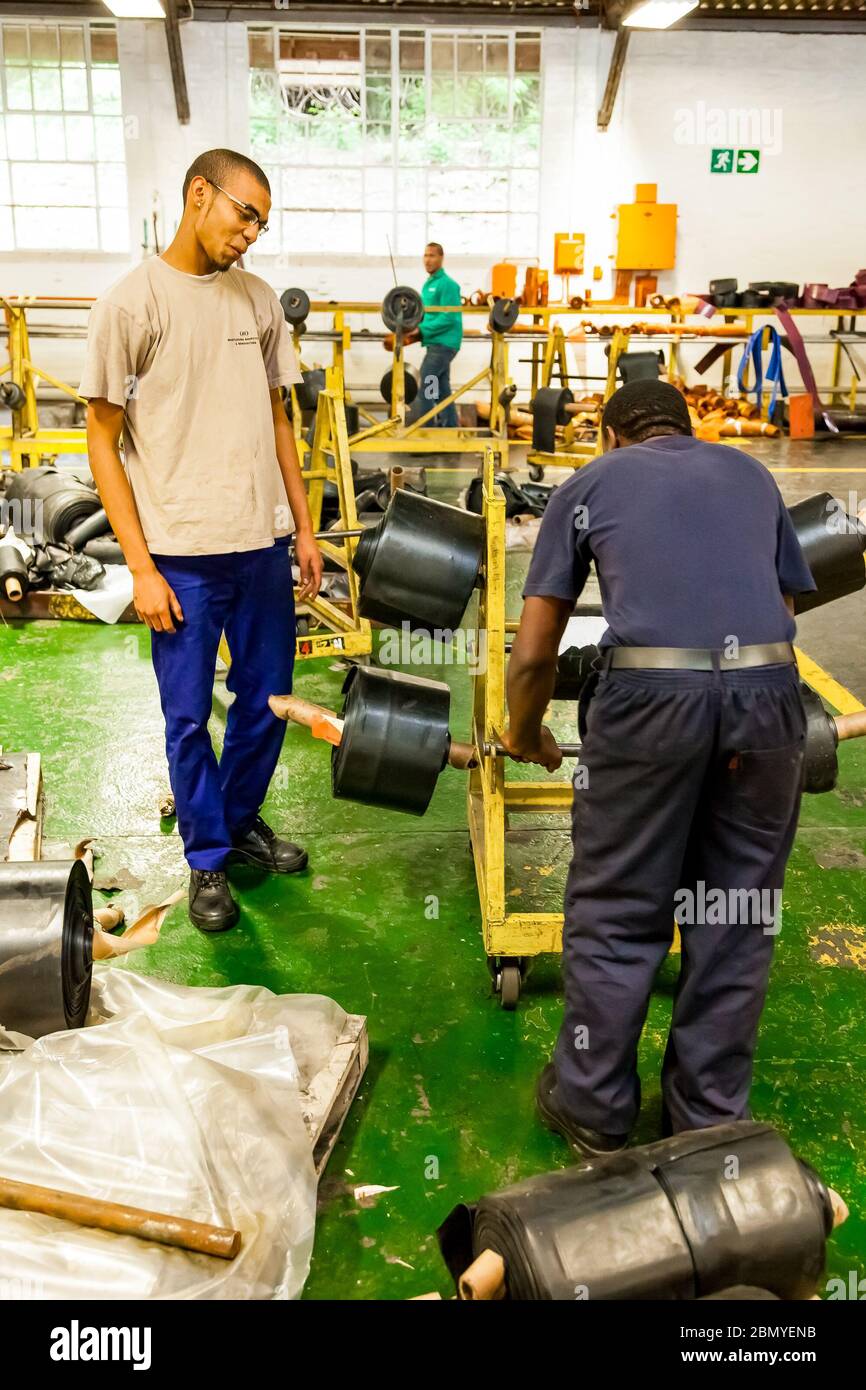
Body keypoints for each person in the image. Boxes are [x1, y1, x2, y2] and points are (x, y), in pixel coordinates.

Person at [503, 379, 815, 1155]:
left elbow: (535, 649)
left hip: (651, 703)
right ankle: (707, 1120)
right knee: (736, 917)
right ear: (686, 426)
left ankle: (594, 1108)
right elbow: (780, 604)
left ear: (611, 435)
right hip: (770, 697)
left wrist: (524, 733)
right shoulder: (749, 473)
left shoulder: (589, 483)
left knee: (619, 911)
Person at [81, 148, 323, 934]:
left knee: (266, 703)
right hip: (180, 559)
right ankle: (207, 860)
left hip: (260, 549)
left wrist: (304, 527)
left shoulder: (258, 304)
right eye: (243, 213)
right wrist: (141, 568)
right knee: (187, 717)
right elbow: (101, 440)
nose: (251, 233)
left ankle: (240, 820)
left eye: (261, 221)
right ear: (198, 195)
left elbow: (281, 420)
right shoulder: (132, 305)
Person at [406, 242, 463, 428]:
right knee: (441, 390)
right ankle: (450, 429)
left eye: (432, 255)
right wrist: (411, 326)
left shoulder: (448, 285)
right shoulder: (429, 284)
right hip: (435, 343)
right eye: (425, 255)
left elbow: (449, 318)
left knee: (426, 386)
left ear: (441, 258)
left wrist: (421, 330)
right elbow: (428, 315)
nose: (427, 260)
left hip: (444, 345)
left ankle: (428, 430)